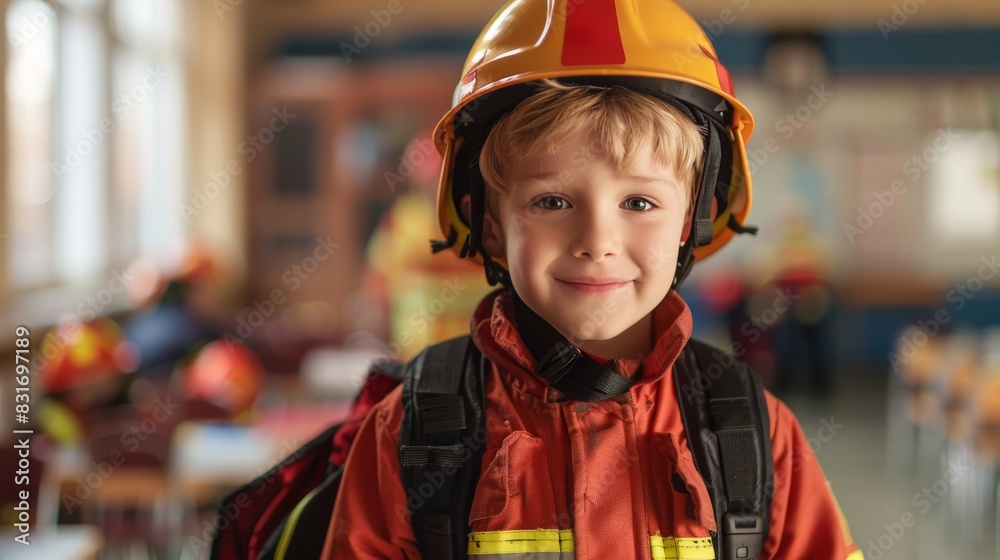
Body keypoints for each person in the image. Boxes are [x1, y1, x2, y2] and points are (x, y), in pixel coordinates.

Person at [323, 0, 862, 558]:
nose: (597, 240)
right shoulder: (408, 435)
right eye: (552, 200)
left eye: (639, 200)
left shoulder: (755, 434)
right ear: (490, 226)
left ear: (688, 222)